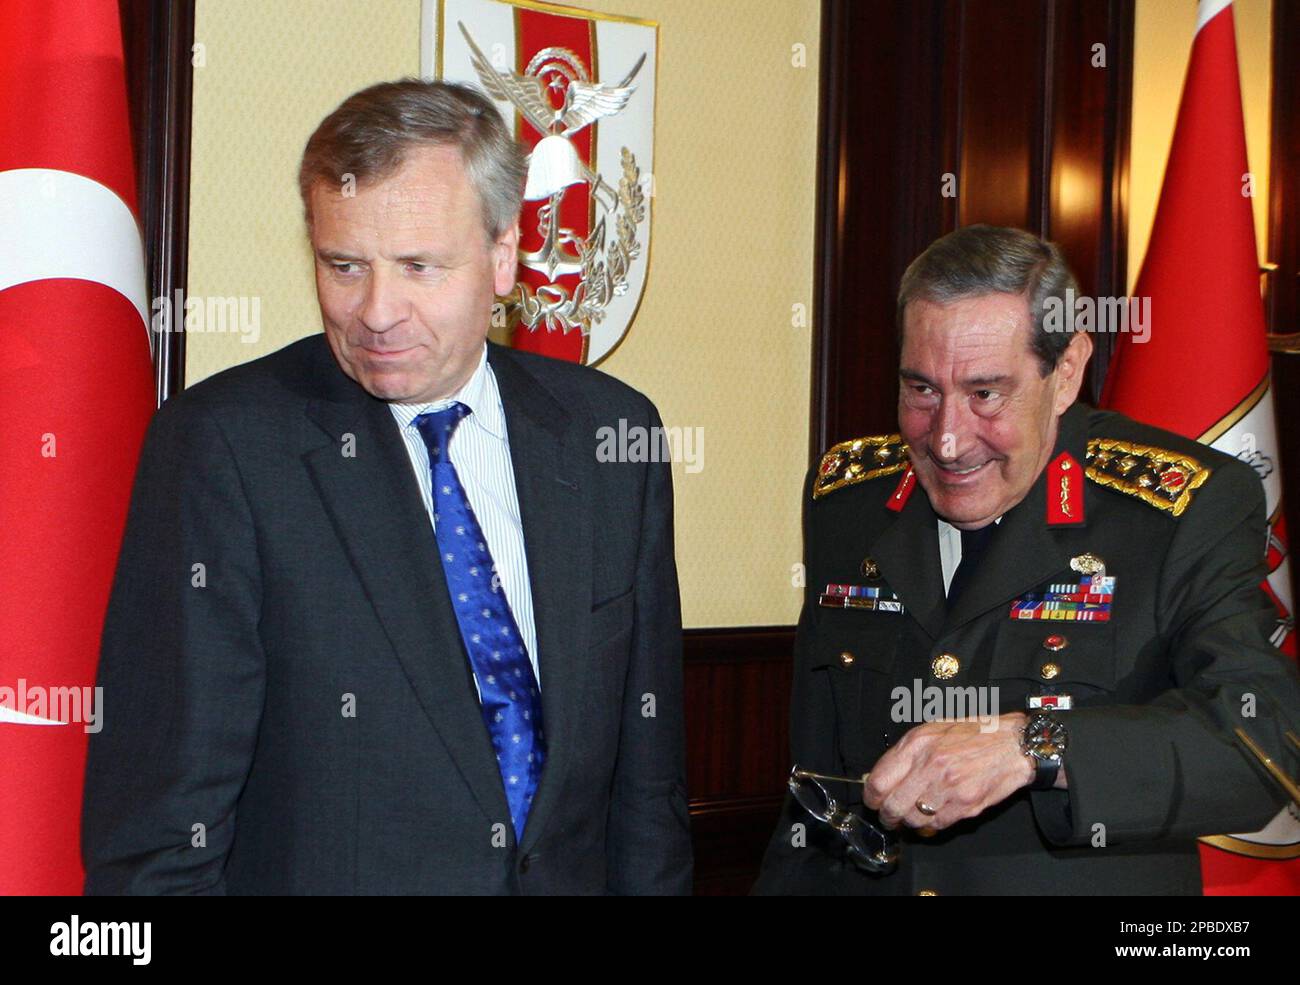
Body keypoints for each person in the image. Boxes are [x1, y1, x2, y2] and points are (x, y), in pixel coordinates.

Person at [82, 79, 691, 895]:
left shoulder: (611, 439)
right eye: (344, 266)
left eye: (418, 266)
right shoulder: (226, 448)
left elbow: (647, 798)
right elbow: (159, 836)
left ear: (504, 255)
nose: (375, 311)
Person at [755, 224, 1300, 895]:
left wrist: (1035, 746)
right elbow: (813, 795)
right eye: (922, 390)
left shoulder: (1181, 510)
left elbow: (1264, 742)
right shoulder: (850, 500)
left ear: (1065, 371)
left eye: (986, 393)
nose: (949, 440)